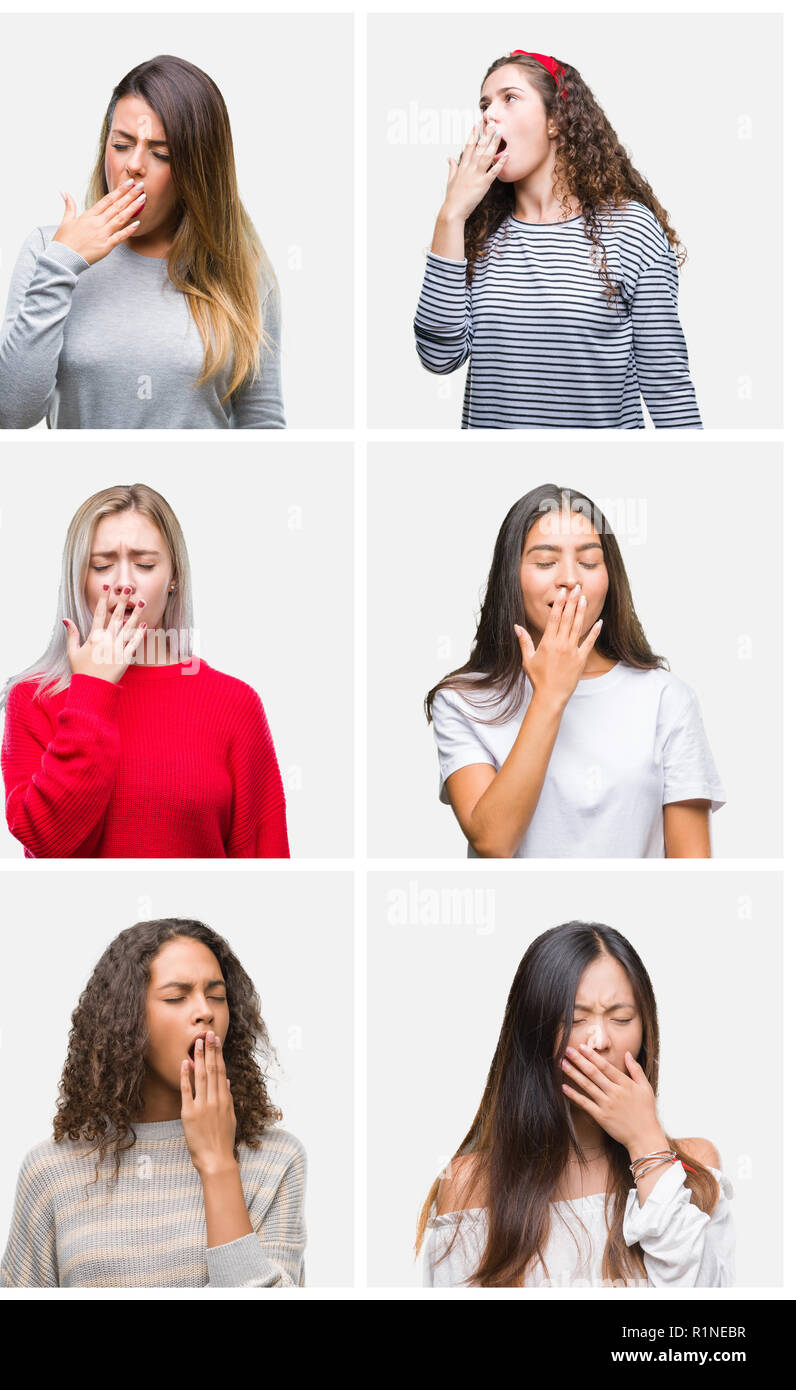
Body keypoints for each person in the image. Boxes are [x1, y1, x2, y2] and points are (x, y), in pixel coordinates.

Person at [417, 921, 733, 1287]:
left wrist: (647, 1145)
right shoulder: (469, 1184)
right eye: (575, 1019)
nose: (599, 1041)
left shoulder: (697, 1173)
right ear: (533, 1032)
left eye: (621, 1018)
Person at [0, 54, 284, 429]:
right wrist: (61, 265)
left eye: (161, 153)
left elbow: (262, 422)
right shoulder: (48, 251)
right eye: (122, 144)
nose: (134, 165)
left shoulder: (244, 271)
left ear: (198, 171)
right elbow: (10, 413)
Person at [1, 918, 305, 1287]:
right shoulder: (50, 1171)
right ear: (126, 1020)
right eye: (177, 997)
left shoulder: (277, 1160)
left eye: (217, 996)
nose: (204, 1011)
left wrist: (218, 1163)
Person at [426, 483, 723, 857]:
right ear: (510, 577)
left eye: (588, 562)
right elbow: (493, 843)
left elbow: (691, 870)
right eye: (546, 562)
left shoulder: (667, 698)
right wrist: (550, 693)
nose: (570, 578)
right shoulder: (462, 701)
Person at [0, 483, 288, 857]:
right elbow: (48, 846)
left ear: (174, 577)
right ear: (78, 579)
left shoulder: (235, 703)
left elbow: (267, 858)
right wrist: (91, 691)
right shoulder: (34, 698)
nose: (123, 584)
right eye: (101, 565)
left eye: (145, 564)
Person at [414, 50, 700, 428]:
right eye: (484, 104)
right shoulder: (477, 230)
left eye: (509, 98)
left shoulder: (631, 230)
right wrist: (450, 216)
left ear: (554, 120)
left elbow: (667, 385)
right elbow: (439, 358)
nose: (489, 114)